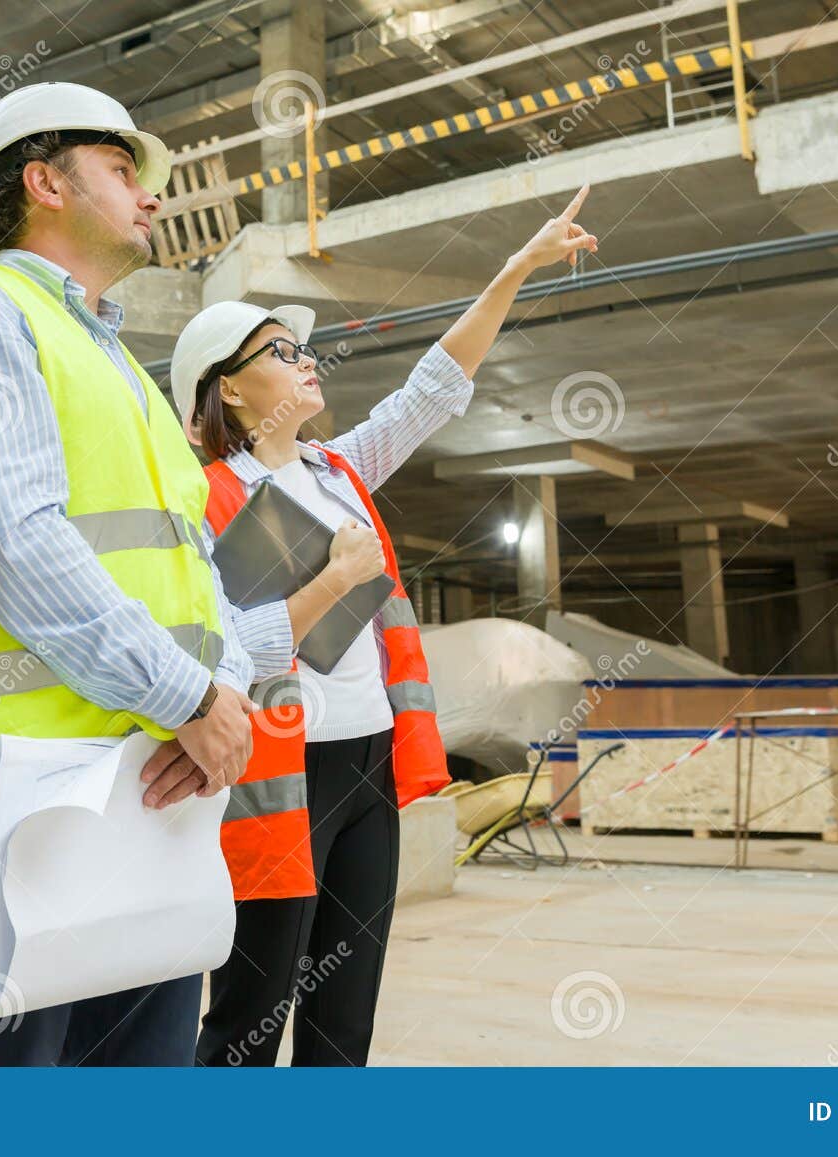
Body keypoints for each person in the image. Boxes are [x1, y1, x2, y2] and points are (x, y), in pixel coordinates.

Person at [0, 82, 293, 1066]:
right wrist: (190, 697)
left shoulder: (121, 370)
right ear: (43, 182)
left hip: (153, 782)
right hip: (21, 790)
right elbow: (16, 542)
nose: (152, 194)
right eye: (120, 168)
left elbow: (196, 566)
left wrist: (224, 697)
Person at [172, 186, 599, 1066]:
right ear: (230, 390)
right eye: (280, 351)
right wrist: (336, 577)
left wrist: (518, 267)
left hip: (368, 762)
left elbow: (433, 388)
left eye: (302, 348)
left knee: (347, 1013)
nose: (305, 361)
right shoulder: (205, 498)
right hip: (280, 773)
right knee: (251, 1011)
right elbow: (235, 650)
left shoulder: (339, 470)